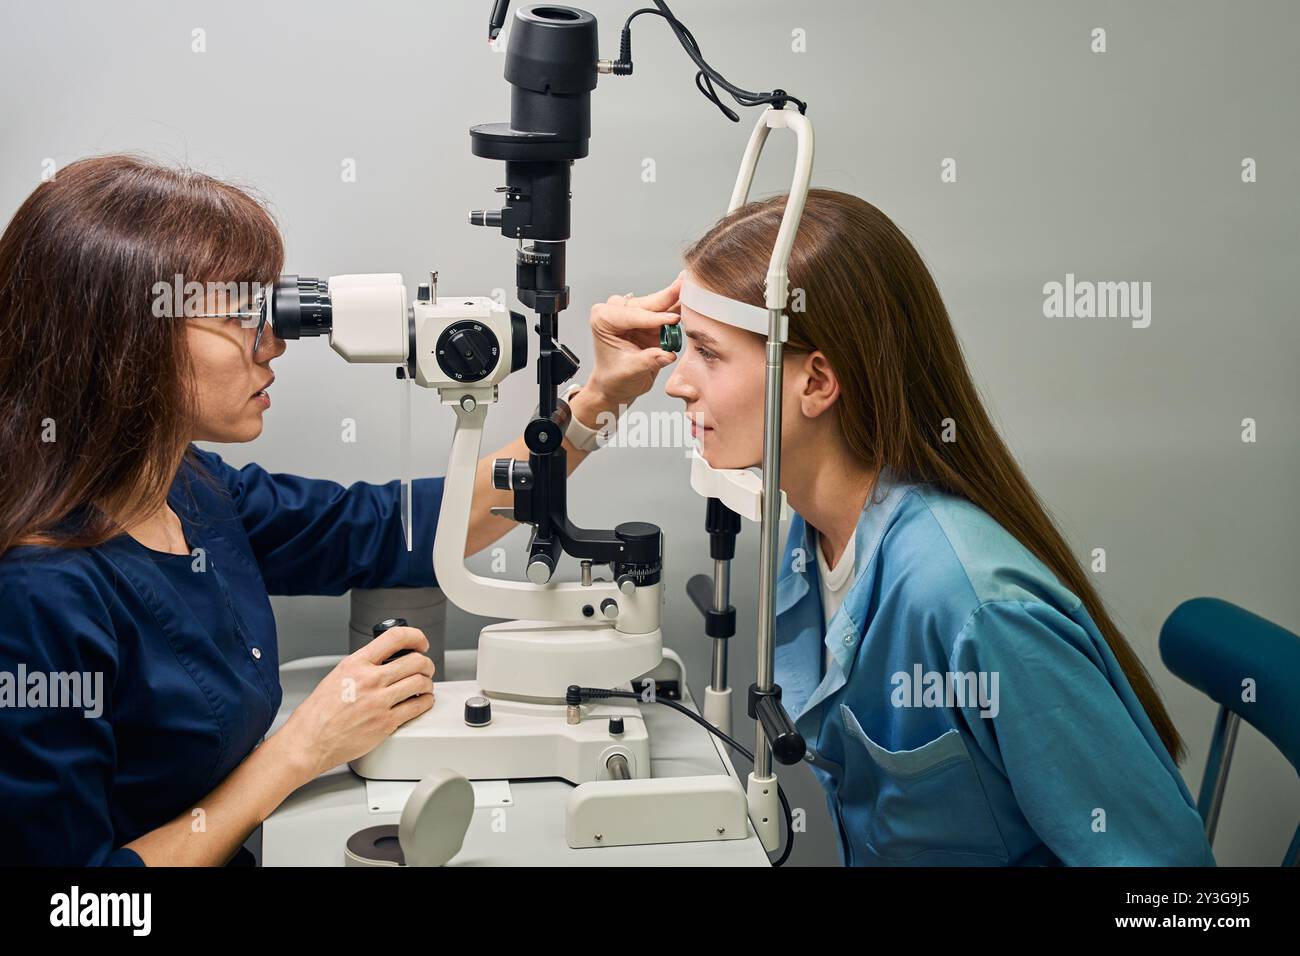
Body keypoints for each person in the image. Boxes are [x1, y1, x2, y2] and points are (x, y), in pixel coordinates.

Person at [0, 154, 682, 865]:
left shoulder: (189, 489)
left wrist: (597, 402)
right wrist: (301, 749)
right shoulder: (38, 594)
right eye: (241, 315)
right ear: (124, 340)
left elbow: (403, 529)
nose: (274, 343)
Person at [664, 187, 1215, 866]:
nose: (676, 382)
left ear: (816, 383)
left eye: (707, 353)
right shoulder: (813, 538)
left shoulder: (971, 604)